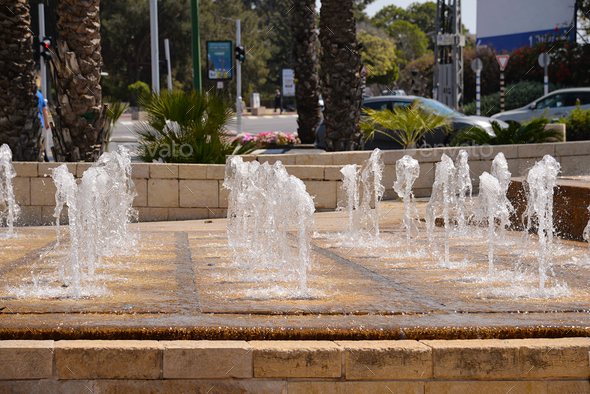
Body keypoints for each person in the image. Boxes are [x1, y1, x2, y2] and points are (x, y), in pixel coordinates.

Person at [37, 90, 51, 161]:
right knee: (40, 140)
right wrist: (46, 122)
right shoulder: (40, 94)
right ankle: (45, 158)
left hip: (31, 121)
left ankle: (44, 157)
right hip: (40, 121)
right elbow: (44, 110)